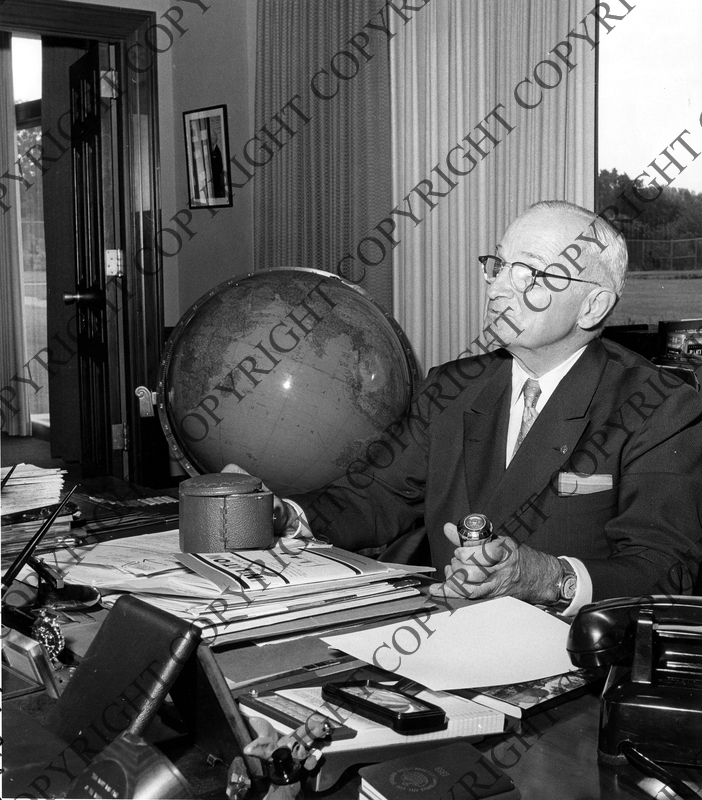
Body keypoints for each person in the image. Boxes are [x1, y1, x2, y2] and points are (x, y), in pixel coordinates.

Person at [229, 200, 702, 613]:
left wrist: (544, 577)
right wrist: (288, 516)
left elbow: (664, 570)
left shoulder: (660, 407)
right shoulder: (453, 388)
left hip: (573, 666)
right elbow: (374, 497)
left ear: (593, 307)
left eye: (532, 274)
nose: (497, 289)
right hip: (439, 639)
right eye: (498, 265)